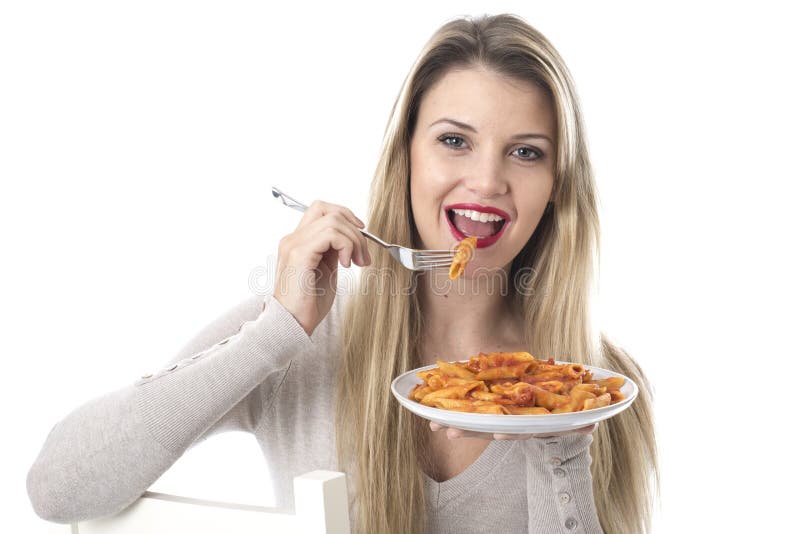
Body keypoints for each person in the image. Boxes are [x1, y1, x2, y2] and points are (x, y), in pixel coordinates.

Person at [27, 13, 658, 534]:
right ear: (406, 157)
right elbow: (57, 488)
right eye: (454, 141)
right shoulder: (300, 335)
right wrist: (280, 328)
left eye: (526, 152)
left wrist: (562, 444)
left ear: (557, 187)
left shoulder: (602, 389)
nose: (487, 181)